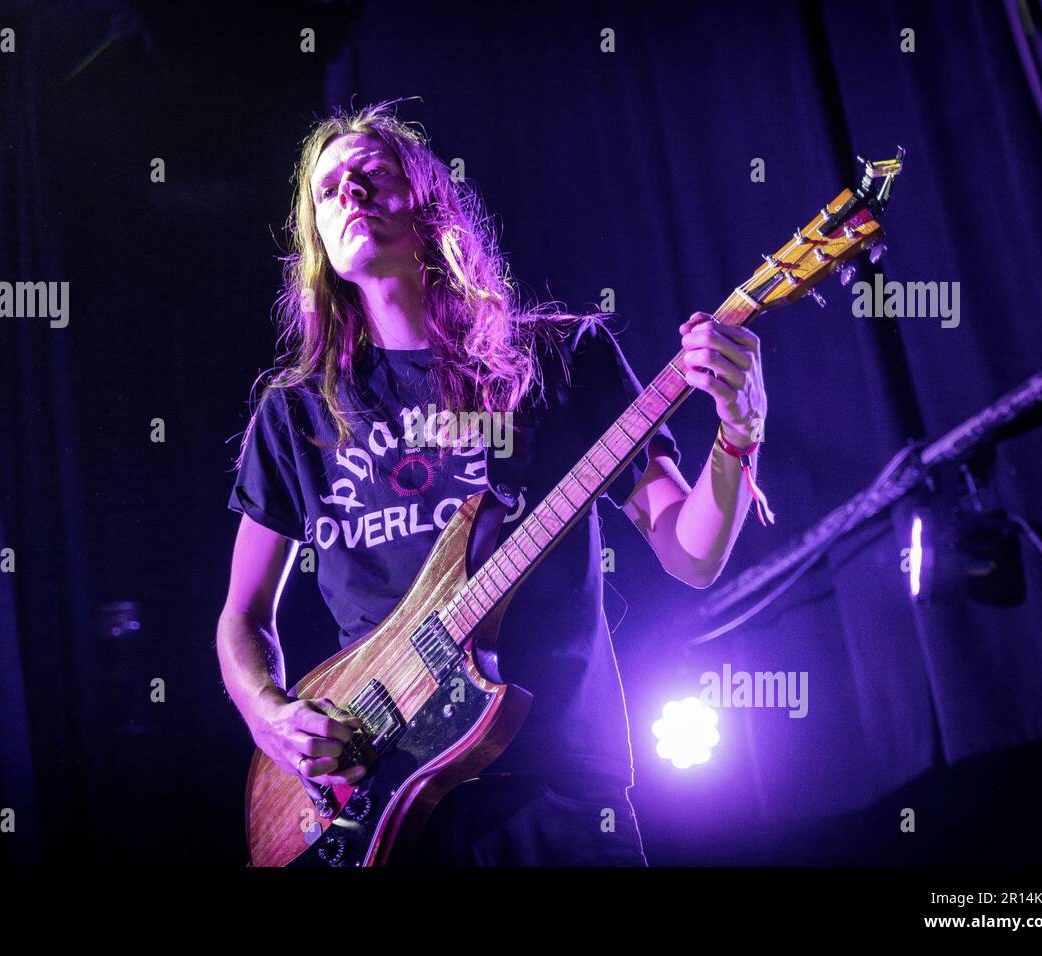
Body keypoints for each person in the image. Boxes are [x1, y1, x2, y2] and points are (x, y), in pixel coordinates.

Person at [216, 99, 768, 866]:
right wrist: (270, 716)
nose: (348, 192)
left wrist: (740, 430)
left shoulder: (562, 361)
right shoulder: (297, 414)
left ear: (429, 199)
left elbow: (691, 553)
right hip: (383, 796)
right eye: (327, 187)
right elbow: (241, 618)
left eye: (371, 174)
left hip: (556, 788)